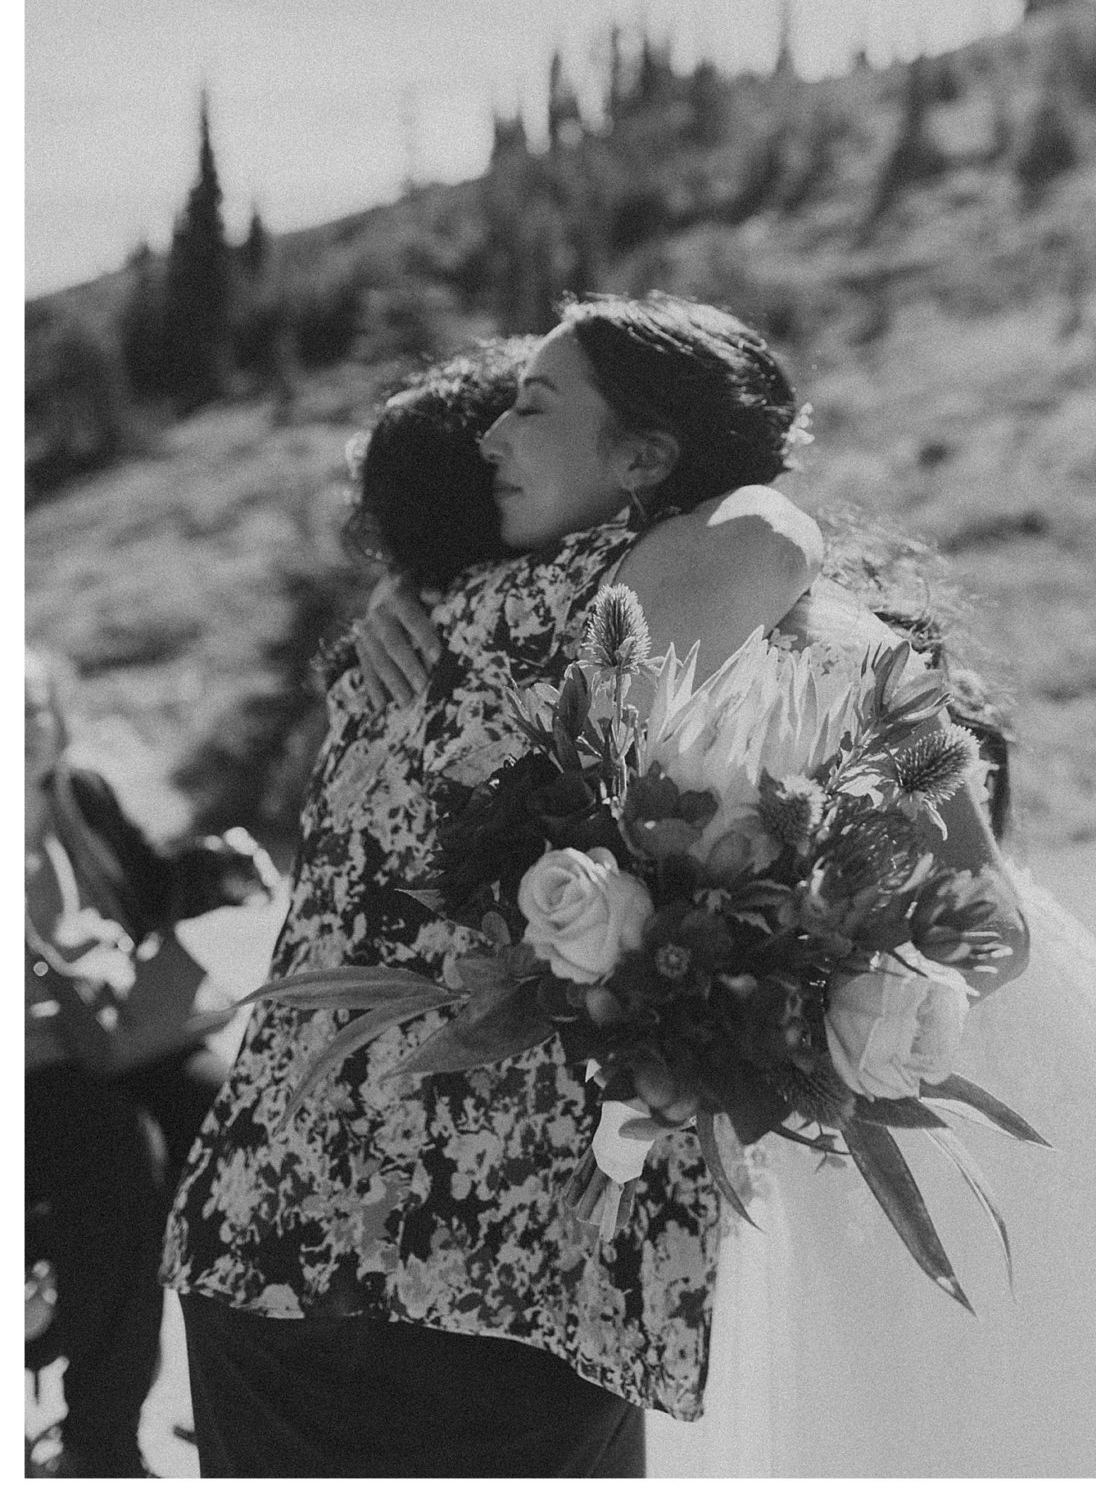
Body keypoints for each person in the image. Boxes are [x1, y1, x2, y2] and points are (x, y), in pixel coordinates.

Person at [164, 298, 831, 1476]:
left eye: (532, 405)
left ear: (642, 457)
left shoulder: (442, 629)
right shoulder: (552, 607)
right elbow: (769, 537)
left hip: (270, 1238)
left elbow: (754, 538)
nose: (493, 439)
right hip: (472, 1268)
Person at [25, 648, 270, 1476]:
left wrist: (218, 874)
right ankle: (100, 1439)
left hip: (122, 1029)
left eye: (33, 710)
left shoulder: (77, 797)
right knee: (124, 1160)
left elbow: (149, 889)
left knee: (235, 1120)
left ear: (56, 718)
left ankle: (242, 1399)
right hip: (33, 1058)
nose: (21, 731)